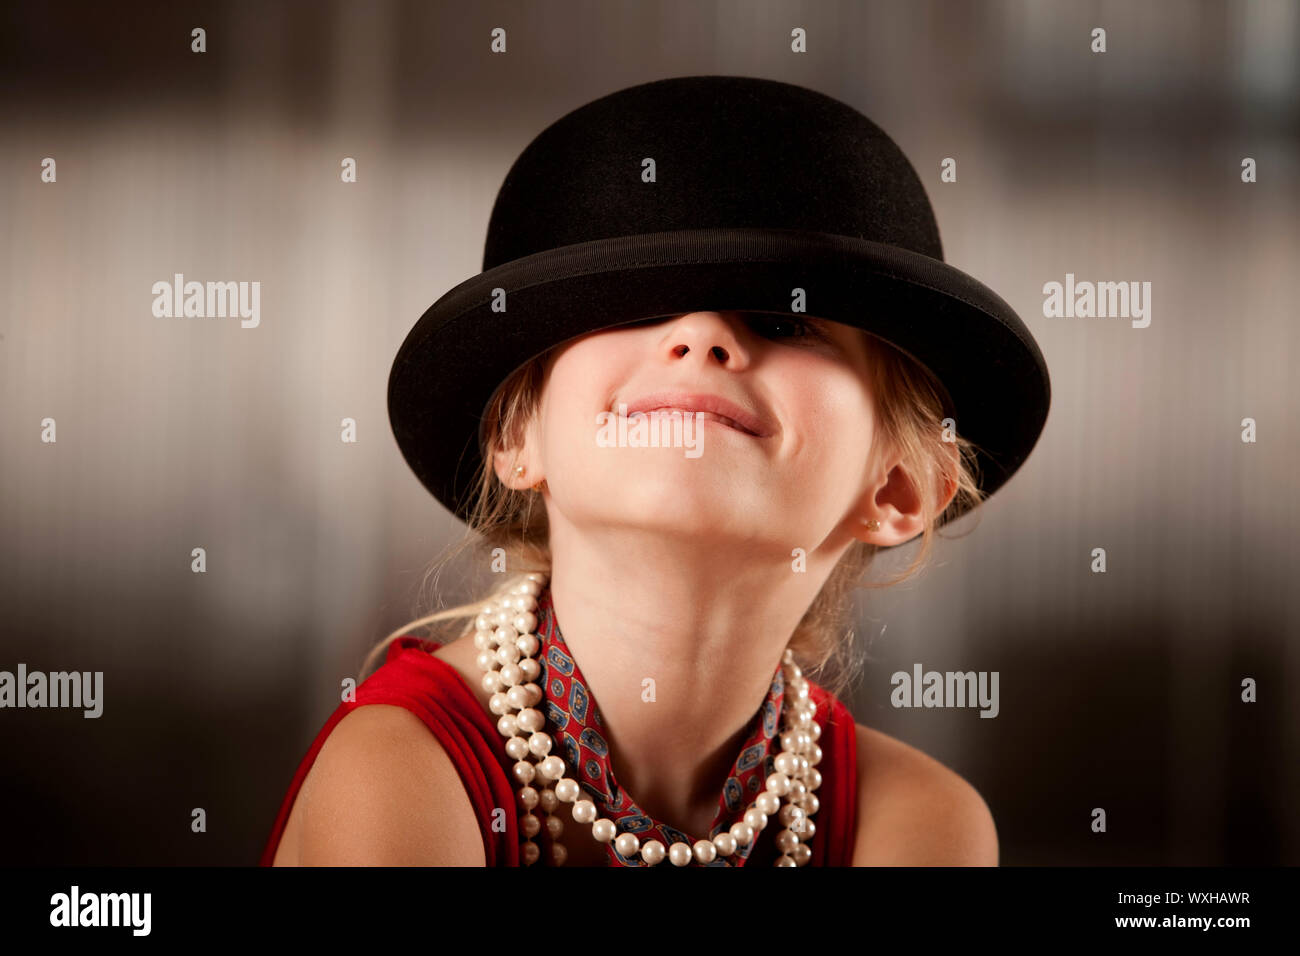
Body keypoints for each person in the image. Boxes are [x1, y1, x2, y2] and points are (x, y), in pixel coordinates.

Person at [260, 75, 1050, 867]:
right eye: (634, 308)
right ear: (515, 436)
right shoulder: (397, 774)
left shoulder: (921, 825)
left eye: (782, 320)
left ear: (899, 486)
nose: (701, 333)